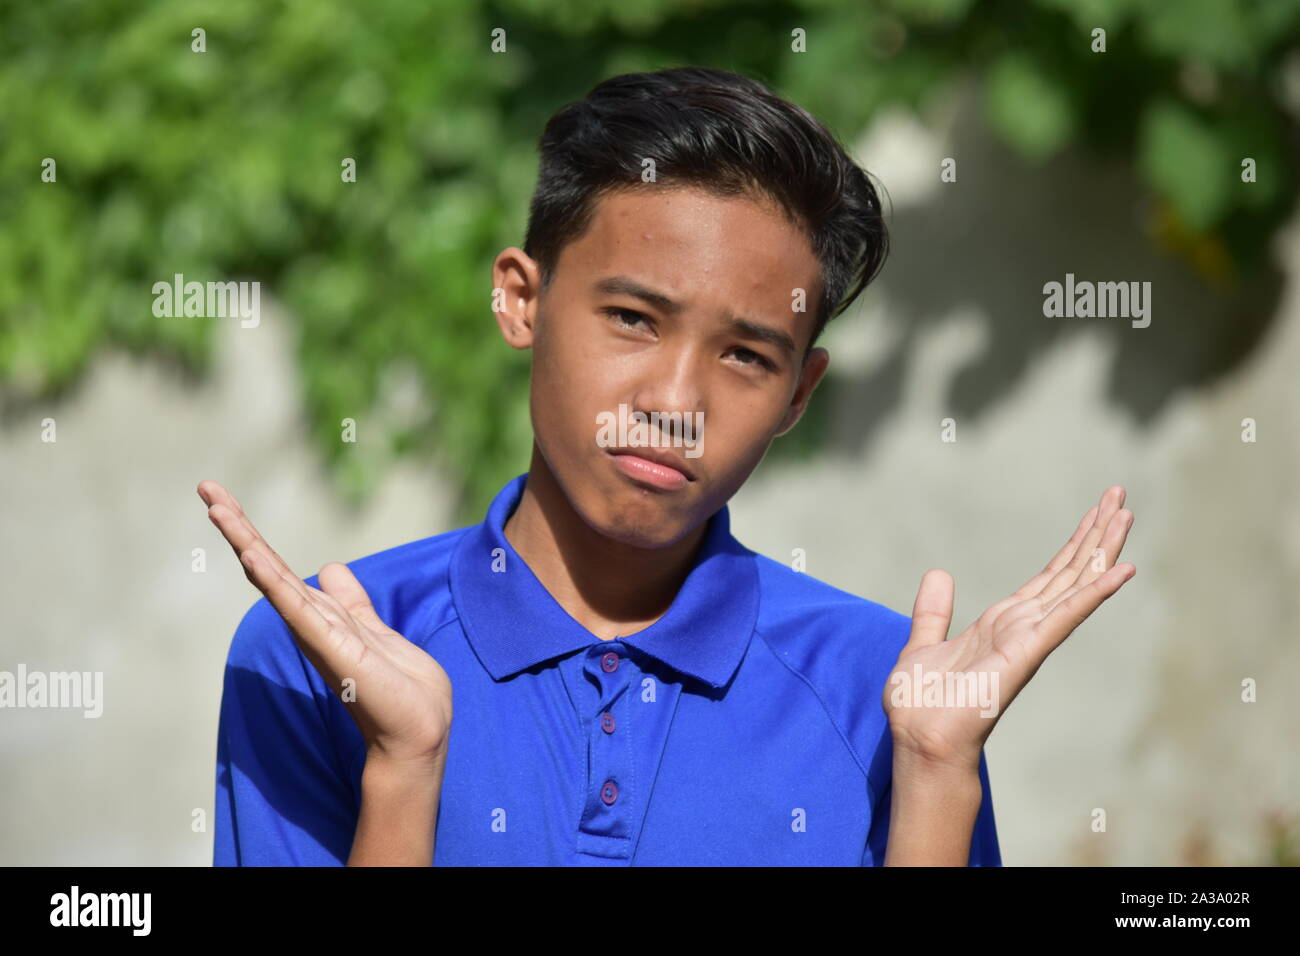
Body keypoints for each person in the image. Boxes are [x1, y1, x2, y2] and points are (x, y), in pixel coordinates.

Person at [202, 66, 1135, 866]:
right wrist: (404, 770)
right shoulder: (327, 655)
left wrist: (934, 778)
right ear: (521, 299)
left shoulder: (892, 693)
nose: (674, 406)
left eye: (746, 356)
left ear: (798, 395)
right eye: (633, 320)